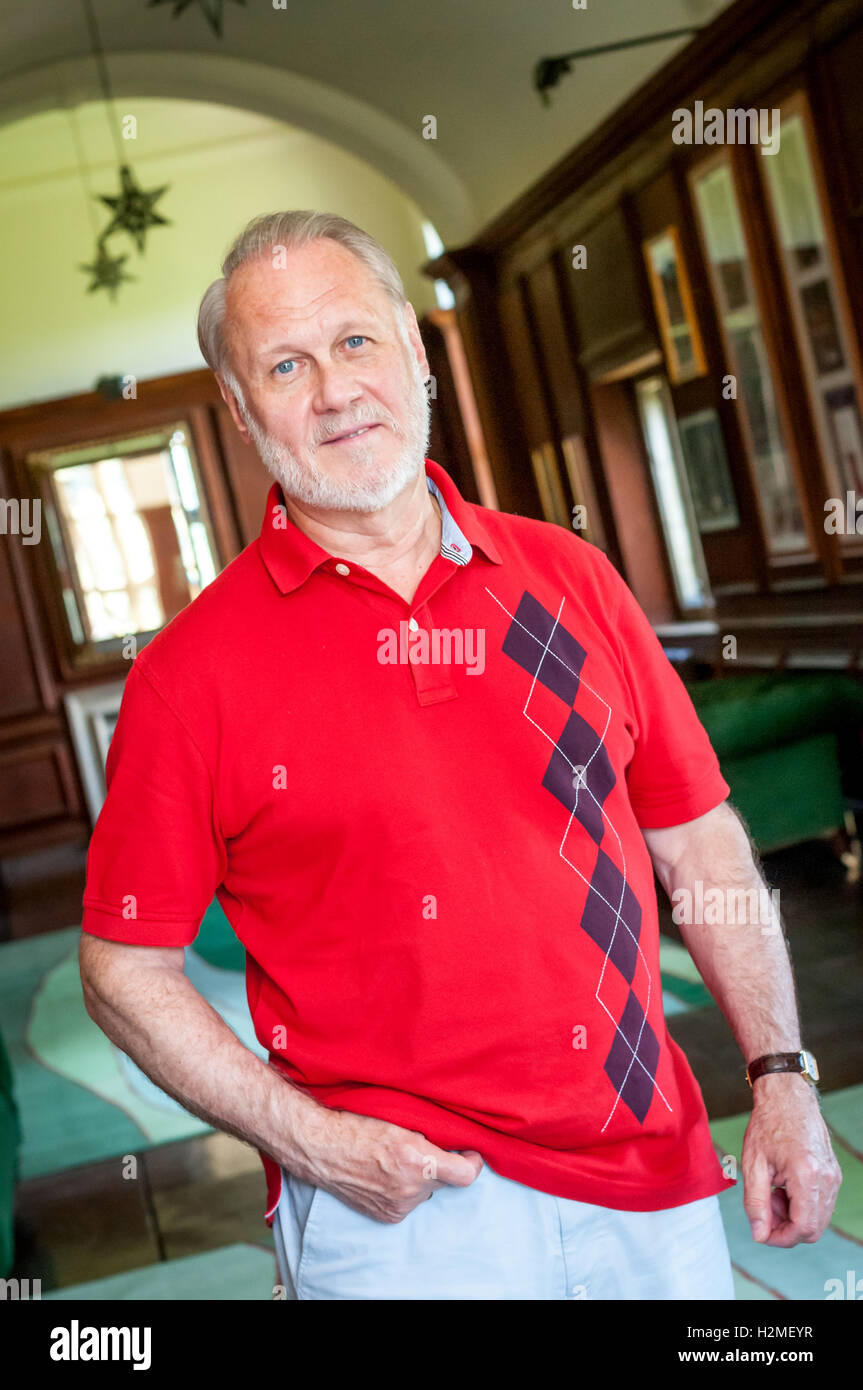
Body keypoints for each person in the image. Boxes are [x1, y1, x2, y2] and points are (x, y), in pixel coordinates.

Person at [79, 210, 841, 1301]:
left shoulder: (568, 576)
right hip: (399, 1217)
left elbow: (697, 840)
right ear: (245, 415)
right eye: (285, 365)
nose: (335, 390)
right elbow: (123, 970)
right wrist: (311, 1142)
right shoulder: (188, 677)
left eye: (354, 341)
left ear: (415, 357)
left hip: (649, 1171)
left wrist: (779, 1078)